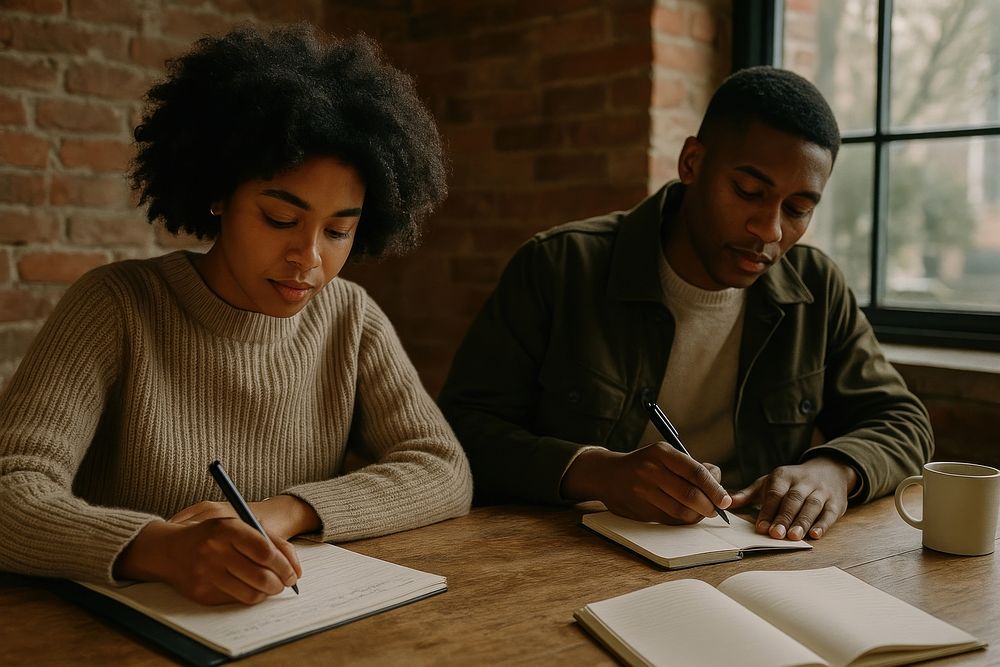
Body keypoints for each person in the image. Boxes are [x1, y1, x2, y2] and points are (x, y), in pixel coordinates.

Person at [0, 25, 472, 605]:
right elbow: (11, 487)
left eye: (339, 230)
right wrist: (157, 547)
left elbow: (443, 468)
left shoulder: (350, 317)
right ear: (219, 194)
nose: (309, 257)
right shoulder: (116, 305)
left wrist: (286, 513)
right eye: (279, 219)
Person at [438, 66, 932, 542]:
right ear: (692, 162)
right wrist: (593, 471)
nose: (770, 230)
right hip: (571, 549)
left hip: (756, 552)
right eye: (748, 191)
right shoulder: (560, 266)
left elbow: (902, 421)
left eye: (798, 208)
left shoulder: (816, 286)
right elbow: (463, 429)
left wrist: (835, 468)